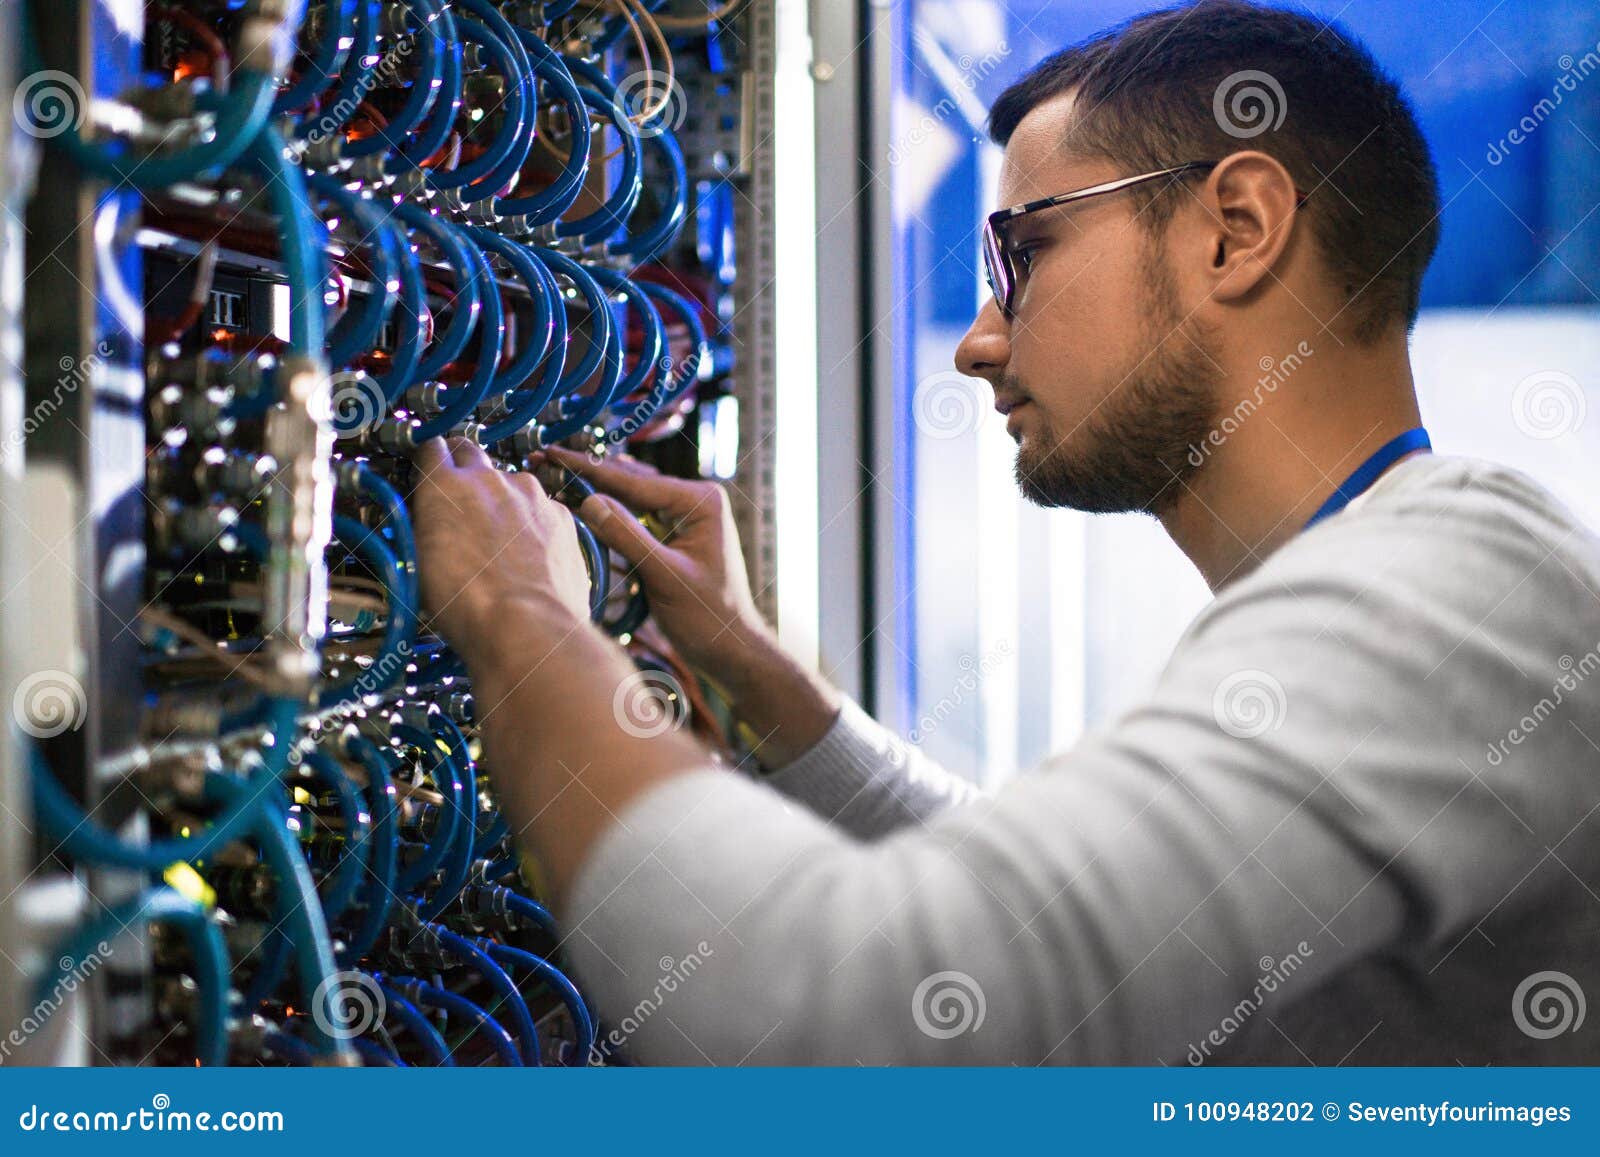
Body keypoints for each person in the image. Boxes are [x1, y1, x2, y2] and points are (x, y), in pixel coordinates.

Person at [409, 0, 1600, 1064]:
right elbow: (1077, 950)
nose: (978, 342)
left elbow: (868, 1011)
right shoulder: (1407, 592)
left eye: (1025, 252)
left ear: (1235, 228)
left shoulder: (1455, 598)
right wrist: (762, 675)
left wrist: (521, 616)